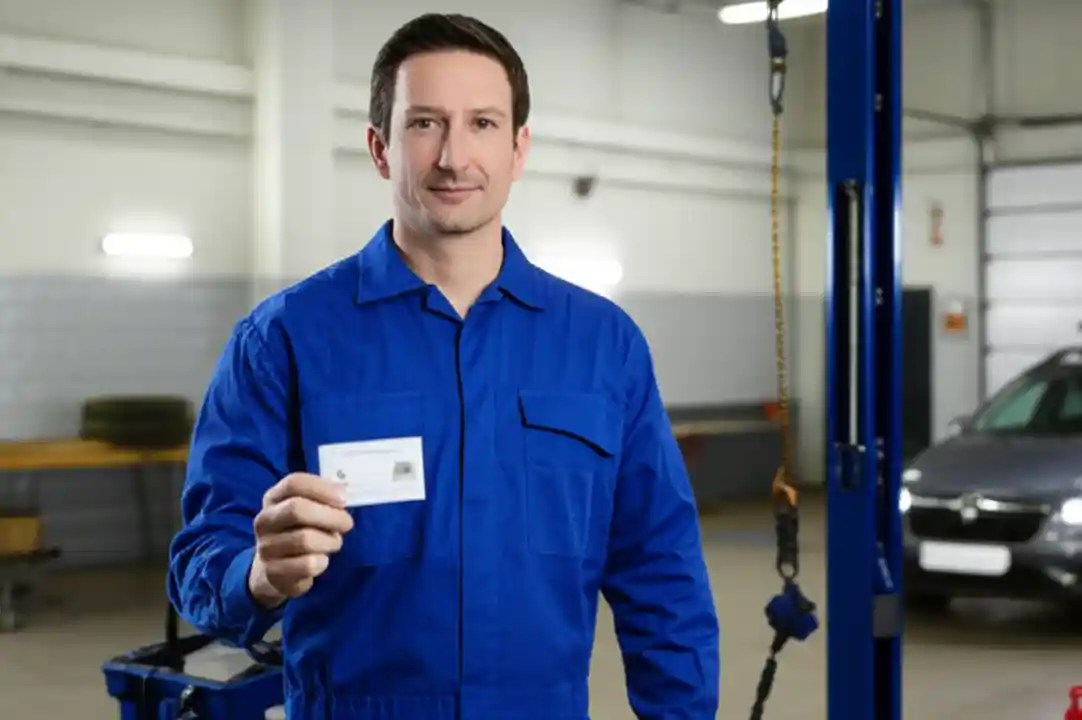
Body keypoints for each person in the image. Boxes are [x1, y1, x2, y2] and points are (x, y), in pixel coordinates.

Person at [167, 12, 719, 720]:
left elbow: (661, 571)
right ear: (379, 147)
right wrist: (259, 574)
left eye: (483, 124)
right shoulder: (285, 340)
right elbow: (199, 562)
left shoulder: (602, 345)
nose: (455, 157)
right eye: (425, 123)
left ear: (520, 148)